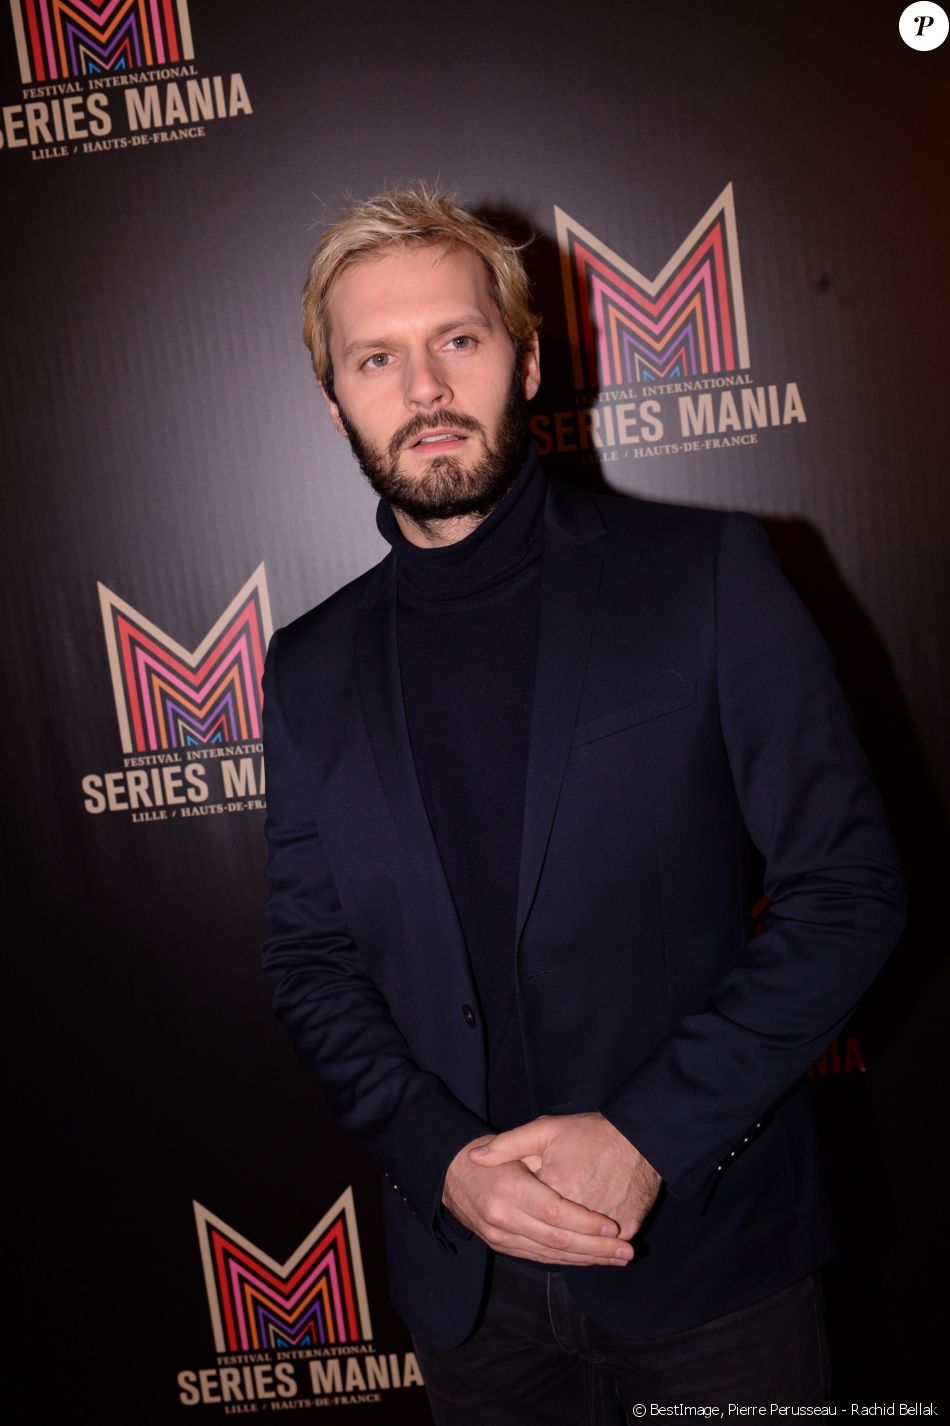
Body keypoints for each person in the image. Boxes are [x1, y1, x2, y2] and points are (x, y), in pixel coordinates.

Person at [261, 183, 904, 1419]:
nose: (425, 387)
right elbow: (308, 957)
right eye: (375, 357)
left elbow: (845, 892)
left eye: (459, 338)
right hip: (469, 1301)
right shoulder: (309, 667)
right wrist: (441, 1161)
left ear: (530, 358)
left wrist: (646, 1134)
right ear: (333, 396)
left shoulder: (709, 580)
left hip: (712, 1266)